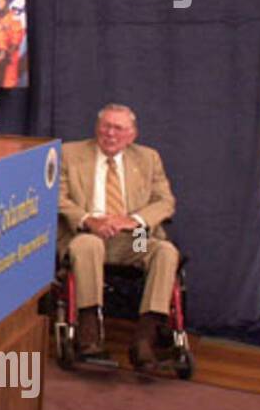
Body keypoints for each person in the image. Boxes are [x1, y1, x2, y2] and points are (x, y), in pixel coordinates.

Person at [57, 104, 179, 368]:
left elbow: (165, 201)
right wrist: (90, 220)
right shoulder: (70, 153)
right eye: (106, 126)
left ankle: (145, 339)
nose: (110, 133)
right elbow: (57, 197)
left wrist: (133, 221)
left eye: (118, 128)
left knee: (165, 251)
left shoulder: (148, 158)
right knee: (89, 244)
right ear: (96, 128)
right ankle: (88, 334)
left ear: (132, 134)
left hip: (132, 235)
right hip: (88, 232)